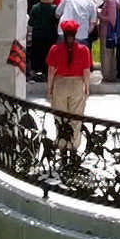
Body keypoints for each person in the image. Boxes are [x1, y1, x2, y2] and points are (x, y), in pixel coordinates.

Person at [44, 19, 94, 151]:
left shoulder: (55, 49)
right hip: (77, 84)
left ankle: (62, 145)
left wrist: (49, 88)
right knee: (76, 119)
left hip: (60, 84)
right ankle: (73, 146)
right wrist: (87, 87)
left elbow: (51, 71)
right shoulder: (84, 50)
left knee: (60, 118)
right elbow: (86, 71)